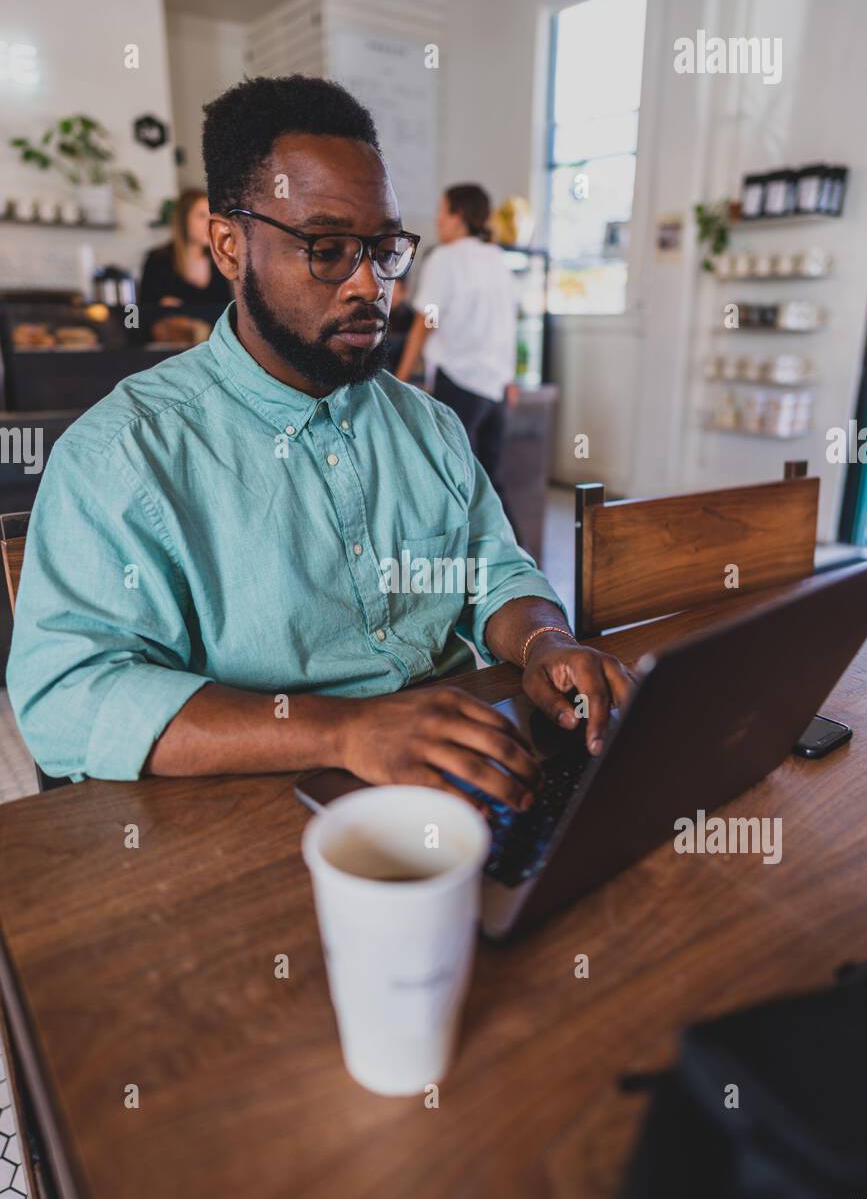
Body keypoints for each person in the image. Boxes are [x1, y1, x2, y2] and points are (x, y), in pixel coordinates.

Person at [8, 75, 633, 805]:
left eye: (384, 247)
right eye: (328, 248)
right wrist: (345, 732)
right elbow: (71, 695)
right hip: (252, 807)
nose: (370, 285)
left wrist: (543, 643)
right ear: (228, 245)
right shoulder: (126, 454)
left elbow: (490, 572)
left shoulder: (425, 425)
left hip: (455, 767)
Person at [396, 184, 517, 517]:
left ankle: (450, 561)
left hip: (460, 381)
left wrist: (401, 378)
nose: (437, 220)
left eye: (442, 211)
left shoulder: (445, 258)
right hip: (496, 390)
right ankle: (517, 560)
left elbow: (426, 321)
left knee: (446, 479)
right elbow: (508, 321)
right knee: (490, 482)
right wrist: (509, 379)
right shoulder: (496, 258)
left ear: (459, 216)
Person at [139, 186, 230, 323]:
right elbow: (142, 315)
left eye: (212, 216)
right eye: (201, 216)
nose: (210, 224)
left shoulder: (219, 260)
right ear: (183, 219)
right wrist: (161, 307)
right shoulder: (158, 260)